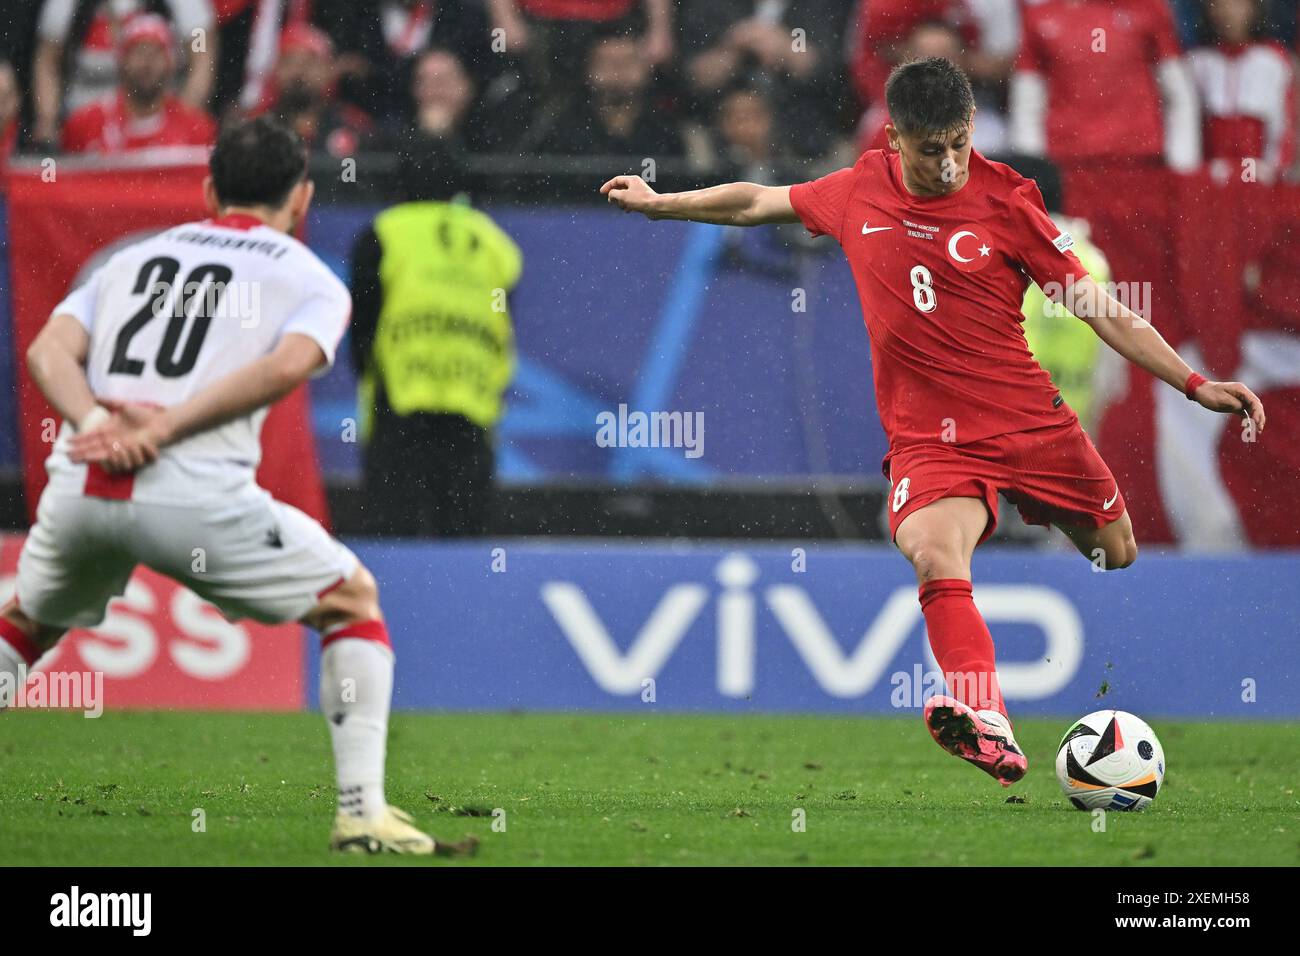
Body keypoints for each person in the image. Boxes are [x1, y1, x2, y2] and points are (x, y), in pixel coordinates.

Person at [600, 56, 1266, 786]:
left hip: (1028, 422)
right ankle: (987, 718)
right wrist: (663, 204)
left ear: (972, 126)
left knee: (1117, 551)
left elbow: (1099, 308)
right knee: (931, 553)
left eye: (958, 142)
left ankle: (1029, 514)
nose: (948, 163)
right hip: (932, 440)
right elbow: (758, 202)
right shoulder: (859, 188)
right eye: (929, 149)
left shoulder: (1010, 202)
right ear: (895, 138)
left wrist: (1194, 383)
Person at [0, 117, 473, 856]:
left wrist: (98, 419)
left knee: (26, 626)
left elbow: (46, 350)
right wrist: (161, 430)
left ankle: (364, 817)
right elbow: (288, 367)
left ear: (210, 188)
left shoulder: (133, 259)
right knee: (352, 603)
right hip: (189, 492)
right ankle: (361, 815)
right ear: (302, 197)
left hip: (83, 487)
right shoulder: (305, 274)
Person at [349, 146, 521, 538]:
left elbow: (362, 326)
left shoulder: (384, 232)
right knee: (464, 535)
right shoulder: (494, 241)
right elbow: (506, 325)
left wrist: (368, 369)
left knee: (394, 532)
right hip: (472, 405)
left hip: (401, 402)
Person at [60, 14, 216, 154]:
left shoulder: (196, 128)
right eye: (138, 52)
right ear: (121, 61)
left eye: (156, 53)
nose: (147, 63)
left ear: (171, 63)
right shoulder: (85, 124)